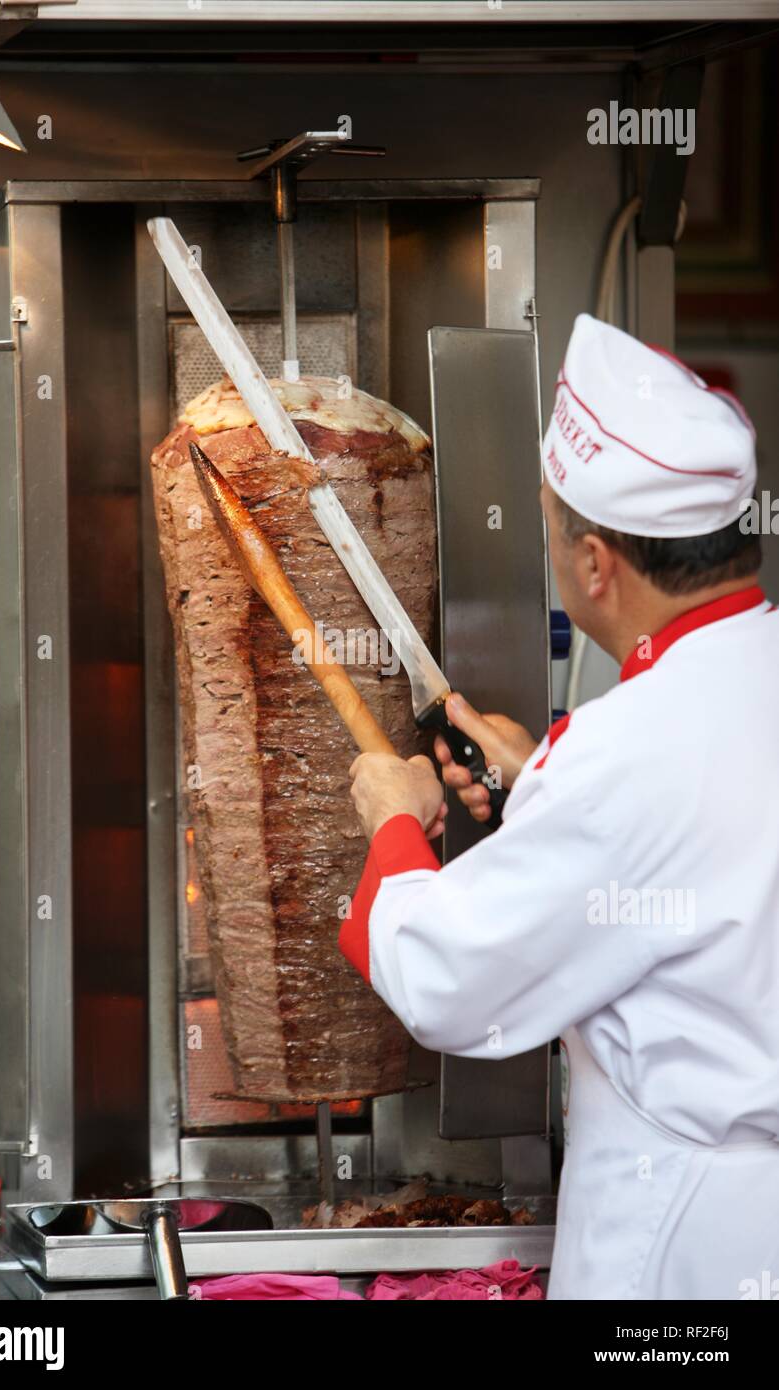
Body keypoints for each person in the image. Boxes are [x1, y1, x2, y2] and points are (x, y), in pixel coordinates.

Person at [340, 313, 779, 1300]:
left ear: (593, 563)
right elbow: (700, 842)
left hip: (681, 1250)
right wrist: (539, 783)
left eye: (544, 522)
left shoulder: (627, 755)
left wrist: (395, 817)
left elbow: (443, 976)